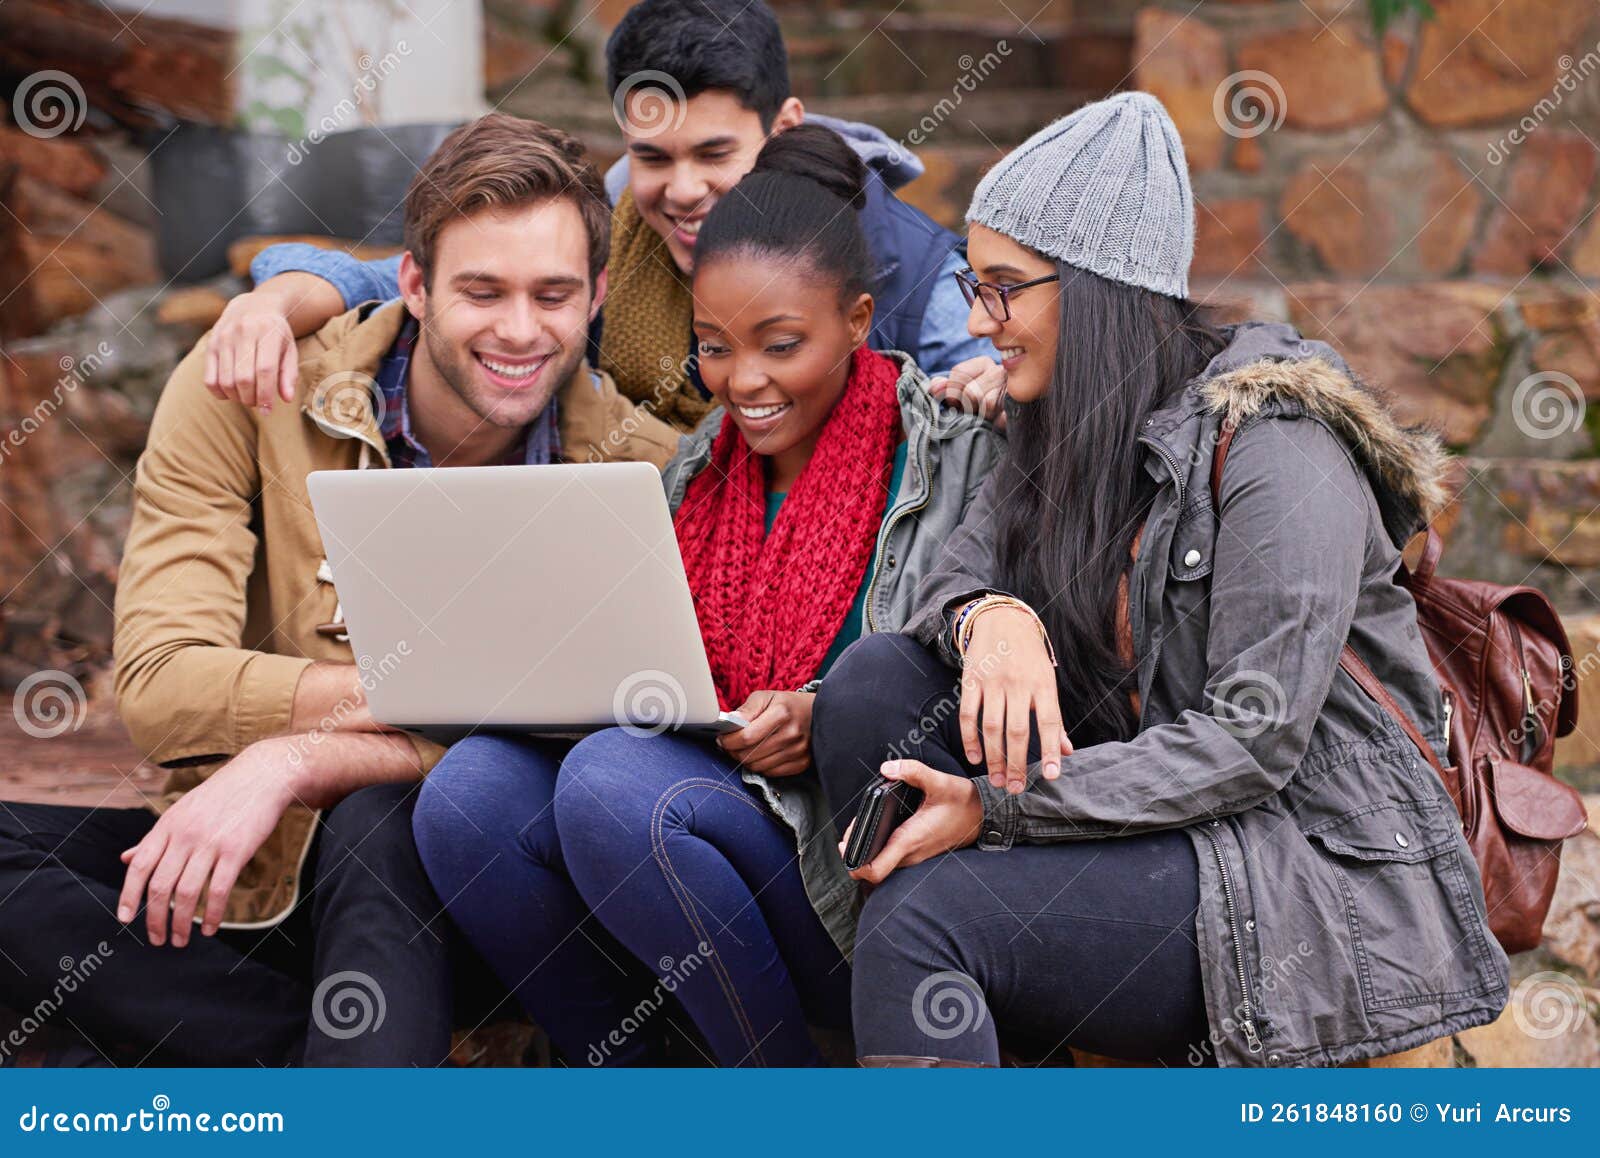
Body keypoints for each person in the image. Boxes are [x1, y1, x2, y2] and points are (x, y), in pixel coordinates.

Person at [809, 92, 1510, 1068]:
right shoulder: (1068, 417)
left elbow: (1249, 741)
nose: (976, 319)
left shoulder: (1279, 447)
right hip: (1145, 812)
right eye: (975, 282)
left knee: (926, 924)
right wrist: (992, 617)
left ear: (1098, 289)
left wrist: (1000, 810)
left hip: (1287, 868)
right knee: (872, 688)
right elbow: (954, 570)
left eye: (1004, 287)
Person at [0, 114, 678, 1067]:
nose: (520, 330)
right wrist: (366, 725)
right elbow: (159, 684)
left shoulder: (642, 472)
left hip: (479, 892)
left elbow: (631, 729)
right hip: (252, 868)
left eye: (553, 295)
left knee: (381, 816)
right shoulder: (252, 383)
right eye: (482, 291)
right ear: (414, 283)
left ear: (597, 296)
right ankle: (330, 1059)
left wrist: (305, 756)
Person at [408, 124, 1004, 1067]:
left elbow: (965, 665)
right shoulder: (694, 472)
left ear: (856, 320)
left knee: (613, 786)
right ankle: (635, 1080)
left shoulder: (952, 449)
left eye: (781, 344)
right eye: (715, 348)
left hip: (853, 867)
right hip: (695, 838)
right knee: (466, 796)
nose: (746, 383)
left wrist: (827, 710)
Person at [206, 0, 1004, 430]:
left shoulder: (916, 276)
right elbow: (404, 279)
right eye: (654, 157)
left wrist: (989, 386)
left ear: (783, 127)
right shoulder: (620, 213)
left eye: (714, 154)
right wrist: (271, 301)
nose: (683, 191)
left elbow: (1001, 405)